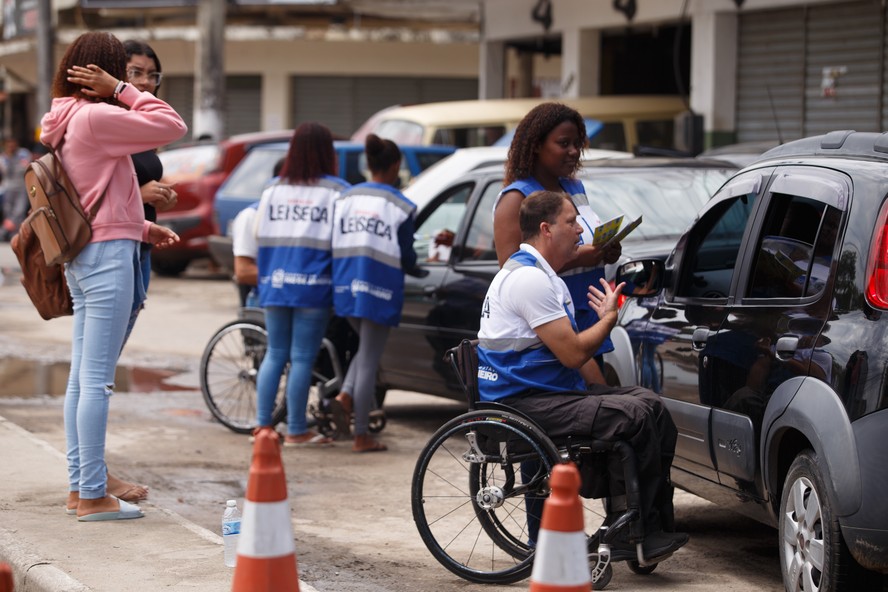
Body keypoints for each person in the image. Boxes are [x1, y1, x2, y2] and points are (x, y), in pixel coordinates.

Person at [477, 190, 688, 561]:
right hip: (523, 404)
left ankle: (646, 527)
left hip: (546, 393)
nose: (580, 230)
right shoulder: (529, 280)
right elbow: (573, 352)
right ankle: (631, 530)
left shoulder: (546, 278)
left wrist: (607, 393)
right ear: (546, 229)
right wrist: (609, 319)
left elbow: (575, 358)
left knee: (650, 405)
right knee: (632, 416)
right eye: (571, 222)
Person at [41, 31, 187, 521]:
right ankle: (92, 496)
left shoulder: (65, 117)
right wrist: (120, 91)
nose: (127, 79)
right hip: (105, 258)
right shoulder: (96, 116)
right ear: (101, 72)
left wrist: (142, 227)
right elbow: (173, 123)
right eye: (119, 71)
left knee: (82, 380)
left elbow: (95, 196)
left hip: (88, 253)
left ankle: (81, 487)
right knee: (97, 382)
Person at [493, 102, 622, 382]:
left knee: (599, 398)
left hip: (589, 315)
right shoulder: (516, 198)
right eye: (564, 143)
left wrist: (606, 251)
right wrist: (582, 257)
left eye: (577, 143)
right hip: (552, 325)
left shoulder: (574, 187)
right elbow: (512, 268)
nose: (574, 151)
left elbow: (582, 238)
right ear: (537, 146)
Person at [253, 122, 349, 447]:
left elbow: (257, 234)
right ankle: (296, 429)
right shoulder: (336, 192)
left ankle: (263, 428)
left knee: (275, 353)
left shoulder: (271, 189)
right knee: (303, 358)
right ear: (327, 153)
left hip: (275, 281)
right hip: (313, 285)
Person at [329, 134, 421, 452]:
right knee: (369, 358)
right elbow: (407, 256)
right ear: (395, 166)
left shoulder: (345, 197)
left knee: (365, 351)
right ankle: (360, 434)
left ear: (368, 164)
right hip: (379, 288)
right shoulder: (400, 205)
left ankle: (345, 396)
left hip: (345, 284)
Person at [0, 136, 33, 241]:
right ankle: (10, 233)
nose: (11, 146)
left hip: (21, 187)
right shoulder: (3, 157)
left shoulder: (23, 154)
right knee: (8, 211)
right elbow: (4, 172)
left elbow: (26, 167)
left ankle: (8, 232)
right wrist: (9, 157)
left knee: (19, 210)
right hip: (8, 188)